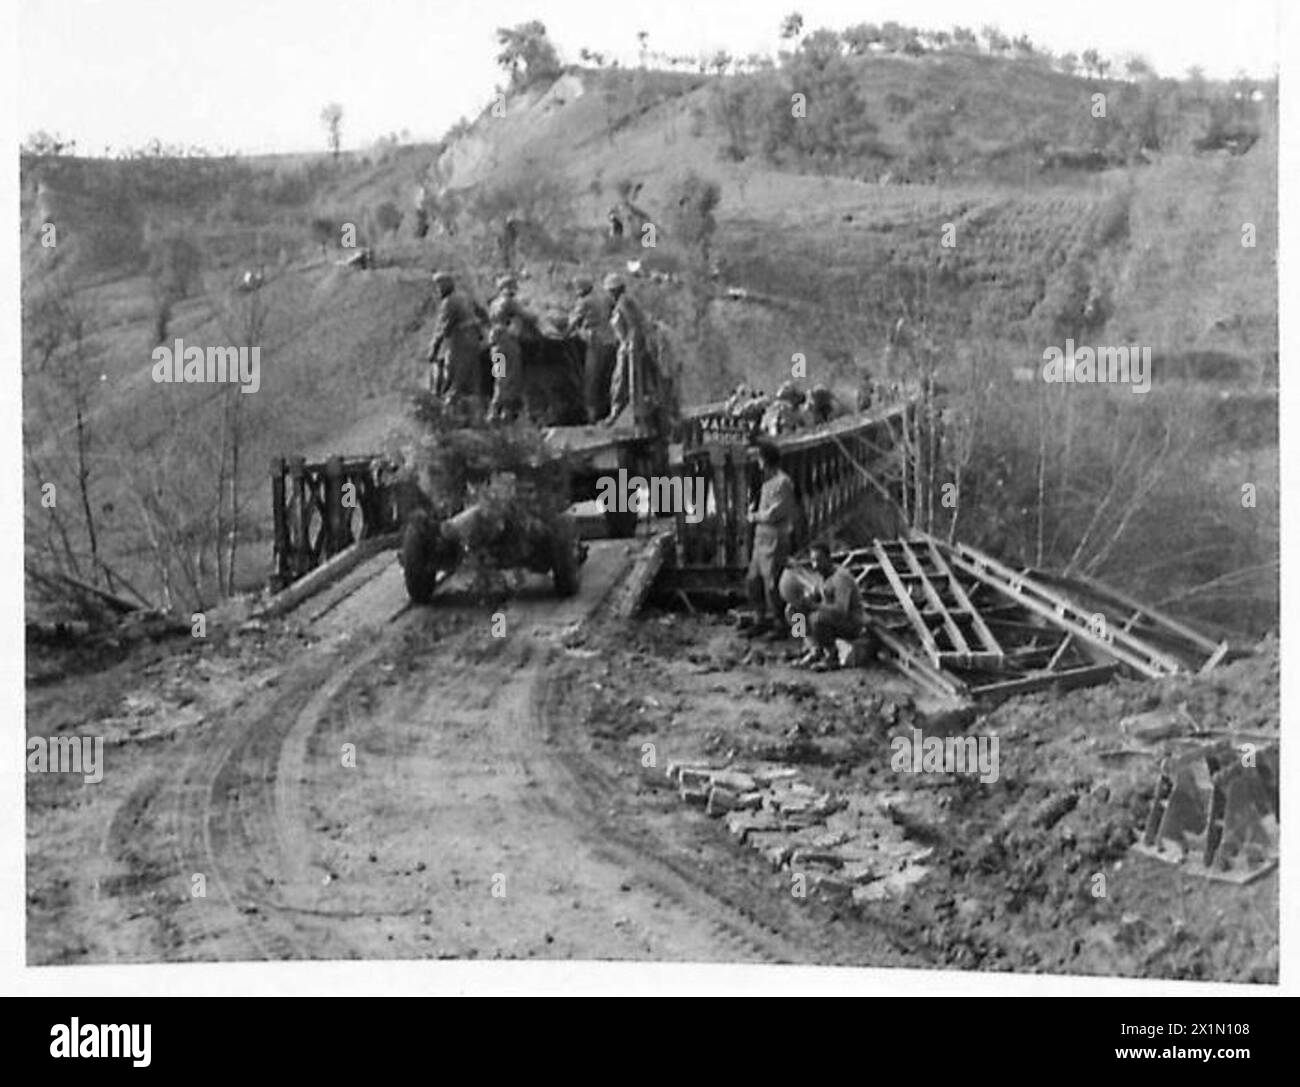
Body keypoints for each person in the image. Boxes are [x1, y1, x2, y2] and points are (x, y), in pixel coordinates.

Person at [740, 440, 796, 639]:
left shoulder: (783, 482)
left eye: (759, 458)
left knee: (773, 584)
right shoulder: (766, 484)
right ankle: (759, 620)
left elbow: (775, 513)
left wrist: (755, 516)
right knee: (753, 580)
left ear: (766, 460)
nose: (758, 463)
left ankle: (780, 624)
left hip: (775, 539)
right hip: (760, 539)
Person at [792, 540, 865, 670]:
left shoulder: (841, 578)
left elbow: (841, 610)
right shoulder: (822, 575)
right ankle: (811, 648)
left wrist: (815, 606)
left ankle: (831, 656)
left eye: (818, 560)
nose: (815, 565)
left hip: (851, 623)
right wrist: (806, 600)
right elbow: (818, 594)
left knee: (817, 618)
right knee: (795, 611)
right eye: (813, 561)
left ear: (828, 559)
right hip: (833, 618)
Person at [602, 273, 659, 427]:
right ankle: (632, 416)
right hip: (629, 346)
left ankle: (631, 417)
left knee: (629, 383)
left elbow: (634, 326)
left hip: (630, 348)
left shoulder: (625, 303)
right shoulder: (626, 301)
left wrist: (631, 348)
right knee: (631, 383)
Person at [426, 270, 484, 412]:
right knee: (473, 375)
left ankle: (448, 408)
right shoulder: (465, 297)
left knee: (452, 374)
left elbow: (443, 329)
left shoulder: (449, 303)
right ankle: (479, 410)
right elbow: (482, 313)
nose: (438, 291)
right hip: (474, 339)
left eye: (439, 287)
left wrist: (433, 349)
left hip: (461, 340)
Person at [567, 274, 615, 423]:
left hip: (596, 341)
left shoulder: (585, 302)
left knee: (592, 379)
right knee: (607, 378)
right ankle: (608, 410)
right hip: (611, 339)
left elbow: (573, 322)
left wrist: (566, 332)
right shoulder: (605, 298)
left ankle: (591, 415)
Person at [485, 273, 534, 422]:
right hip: (507, 342)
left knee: (499, 376)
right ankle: (504, 410)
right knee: (510, 376)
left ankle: (496, 411)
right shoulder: (509, 302)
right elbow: (528, 316)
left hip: (495, 344)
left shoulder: (494, 303)